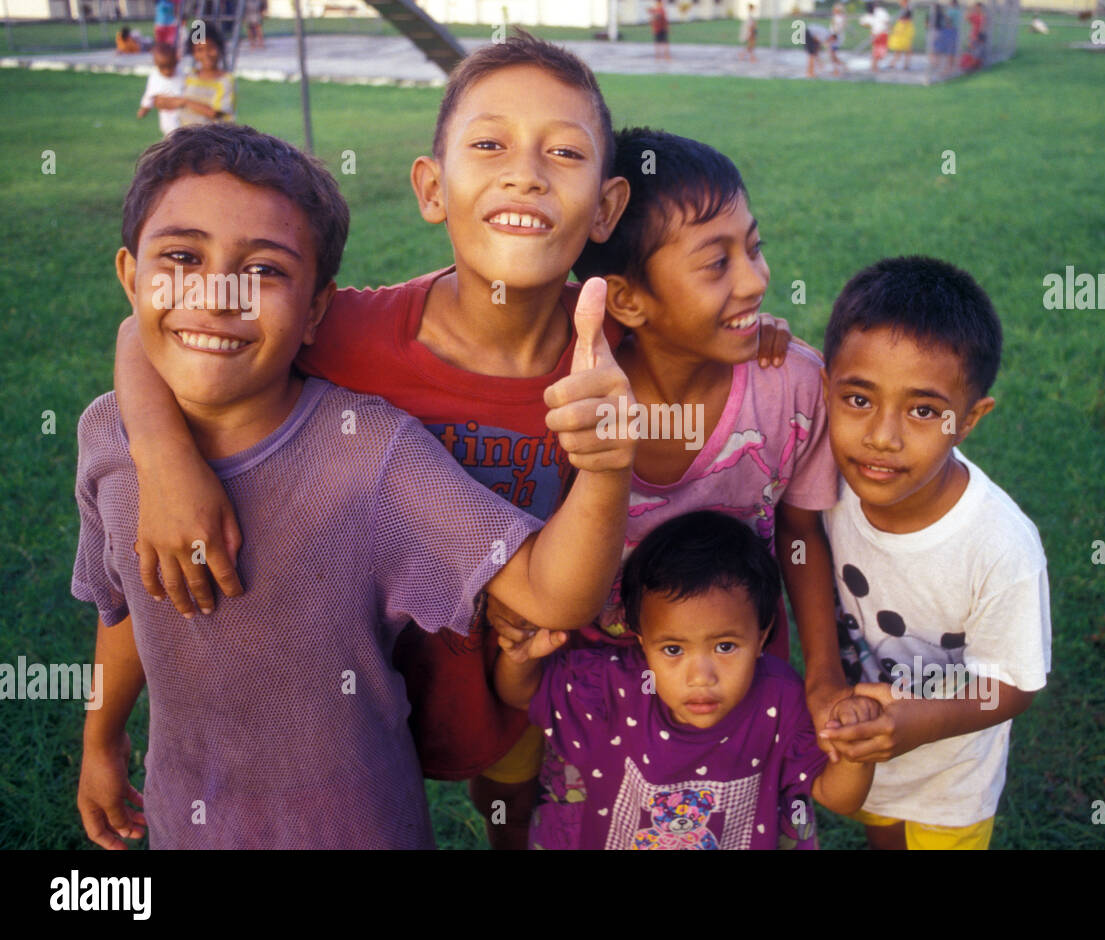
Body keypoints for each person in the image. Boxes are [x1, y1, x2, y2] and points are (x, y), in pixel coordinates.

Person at [111, 33, 792, 850]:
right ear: (433, 188)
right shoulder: (352, 330)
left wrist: (750, 324)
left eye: (564, 152)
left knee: (523, 814)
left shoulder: (618, 334)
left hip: (535, 674)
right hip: (367, 702)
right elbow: (156, 328)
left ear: (607, 207)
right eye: (490, 143)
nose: (525, 172)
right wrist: (163, 458)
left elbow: (709, 320)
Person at [74, 123, 635, 850]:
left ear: (315, 310)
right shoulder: (104, 436)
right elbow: (123, 607)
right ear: (130, 276)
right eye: (182, 257)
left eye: (267, 271)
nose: (216, 293)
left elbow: (553, 597)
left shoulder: (370, 454)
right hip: (188, 818)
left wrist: (606, 463)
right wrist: (102, 740)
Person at [514, 128, 855, 848]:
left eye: (753, 247)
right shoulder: (573, 404)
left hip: (739, 685)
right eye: (717, 262)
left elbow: (800, 535)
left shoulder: (791, 387)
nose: (757, 280)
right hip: (597, 699)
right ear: (630, 303)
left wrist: (821, 674)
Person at [820, 256, 1052, 850]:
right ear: (825, 388)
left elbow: (1014, 682)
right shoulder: (828, 482)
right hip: (867, 747)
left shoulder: (1000, 546)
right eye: (858, 399)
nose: (882, 436)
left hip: (951, 778)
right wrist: (821, 673)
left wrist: (918, 722)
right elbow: (796, 532)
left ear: (969, 419)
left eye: (923, 411)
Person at [494, 511, 878, 849]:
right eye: (673, 650)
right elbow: (523, 694)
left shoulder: (780, 700)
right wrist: (519, 657)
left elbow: (839, 797)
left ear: (762, 636)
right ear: (642, 643)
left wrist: (854, 754)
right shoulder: (610, 686)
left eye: (725, 647)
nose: (700, 677)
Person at [178, 21, 235, 126]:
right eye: (200, 50)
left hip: (215, 139)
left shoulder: (225, 81)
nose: (206, 54)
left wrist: (184, 102)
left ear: (219, 48)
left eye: (211, 48)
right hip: (186, 137)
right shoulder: (189, 77)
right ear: (193, 53)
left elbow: (214, 113)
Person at [137, 43, 184, 137]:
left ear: (176, 62)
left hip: (183, 109)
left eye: (171, 66)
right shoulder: (155, 77)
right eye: (163, 68)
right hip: (167, 113)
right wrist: (145, 108)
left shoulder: (180, 73)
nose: (167, 71)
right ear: (156, 64)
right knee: (171, 133)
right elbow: (149, 94)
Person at [929, 0, 959, 74]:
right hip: (954, 31)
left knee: (946, 50)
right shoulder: (958, 11)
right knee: (951, 49)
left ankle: (946, 68)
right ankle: (950, 67)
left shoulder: (952, 11)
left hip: (949, 31)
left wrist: (945, 19)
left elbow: (948, 21)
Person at [885, 1, 915, 71]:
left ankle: (905, 64)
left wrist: (897, 29)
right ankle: (893, 64)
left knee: (906, 48)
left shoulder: (907, 9)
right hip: (903, 29)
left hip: (904, 30)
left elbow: (905, 20)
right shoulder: (904, 9)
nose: (899, 2)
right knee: (900, 49)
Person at [863, 1, 890, 72]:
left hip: (877, 33)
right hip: (881, 33)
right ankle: (874, 67)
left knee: (878, 51)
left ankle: (874, 66)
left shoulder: (875, 12)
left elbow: (864, 23)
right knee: (878, 51)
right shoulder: (880, 11)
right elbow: (887, 21)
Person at [829, 3, 847, 76]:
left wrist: (834, 36)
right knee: (832, 54)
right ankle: (841, 66)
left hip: (836, 37)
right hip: (833, 36)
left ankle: (837, 69)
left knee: (832, 54)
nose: (833, 10)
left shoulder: (839, 18)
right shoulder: (837, 17)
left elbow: (838, 29)